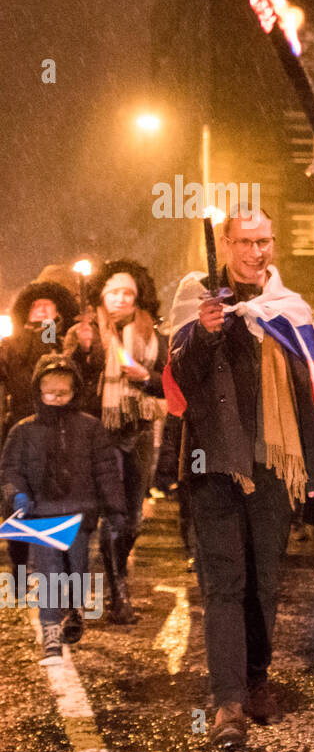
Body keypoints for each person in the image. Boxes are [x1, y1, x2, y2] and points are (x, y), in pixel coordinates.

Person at [168, 206, 314, 749]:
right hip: (214, 466)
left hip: (273, 466)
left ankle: (257, 678)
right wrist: (204, 332)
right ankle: (227, 701)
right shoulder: (197, 301)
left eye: (264, 241)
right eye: (244, 241)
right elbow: (178, 384)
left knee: (264, 583)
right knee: (225, 584)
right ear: (224, 243)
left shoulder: (286, 308)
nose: (255, 251)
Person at [1, 354, 125, 662]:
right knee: (49, 571)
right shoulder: (23, 430)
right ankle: (51, 632)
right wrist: (17, 495)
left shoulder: (90, 429)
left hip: (80, 513)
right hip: (42, 513)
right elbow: (10, 470)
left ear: (74, 392)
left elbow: (105, 470)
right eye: (49, 392)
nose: (56, 399)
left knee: (77, 568)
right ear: (37, 391)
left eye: (63, 392)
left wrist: (114, 508)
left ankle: (74, 609)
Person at [65, 259, 168, 623]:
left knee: (133, 520)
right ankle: (116, 592)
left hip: (138, 432)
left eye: (129, 293)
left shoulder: (154, 336)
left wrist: (146, 375)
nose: (121, 299)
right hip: (99, 435)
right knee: (110, 516)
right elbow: (63, 385)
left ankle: (115, 582)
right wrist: (82, 352)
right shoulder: (85, 332)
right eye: (114, 292)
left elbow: (168, 382)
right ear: (102, 296)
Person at [0, 273, 80, 577]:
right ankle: (20, 567)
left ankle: (52, 568)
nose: (44, 311)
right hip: (19, 432)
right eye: (37, 306)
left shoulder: (64, 341)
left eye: (50, 306)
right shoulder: (11, 345)